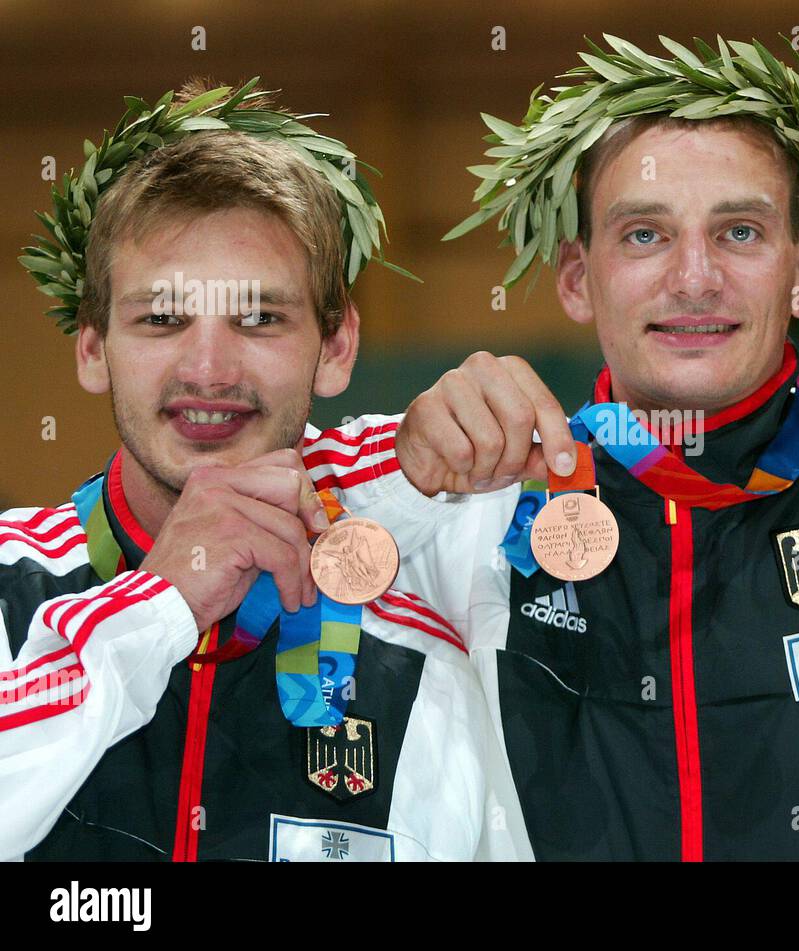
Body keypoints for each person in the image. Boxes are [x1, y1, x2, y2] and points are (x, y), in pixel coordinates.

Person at [376, 34, 799, 860]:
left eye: (741, 233)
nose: (694, 278)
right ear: (579, 277)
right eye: (645, 235)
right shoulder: (477, 492)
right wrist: (412, 459)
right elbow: (266, 496)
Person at [4, 79, 525, 861]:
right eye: (161, 317)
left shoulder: (437, 641)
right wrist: (157, 601)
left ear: (337, 346)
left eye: (258, 318)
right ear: (90, 345)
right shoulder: (9, 577)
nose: (209, 368)